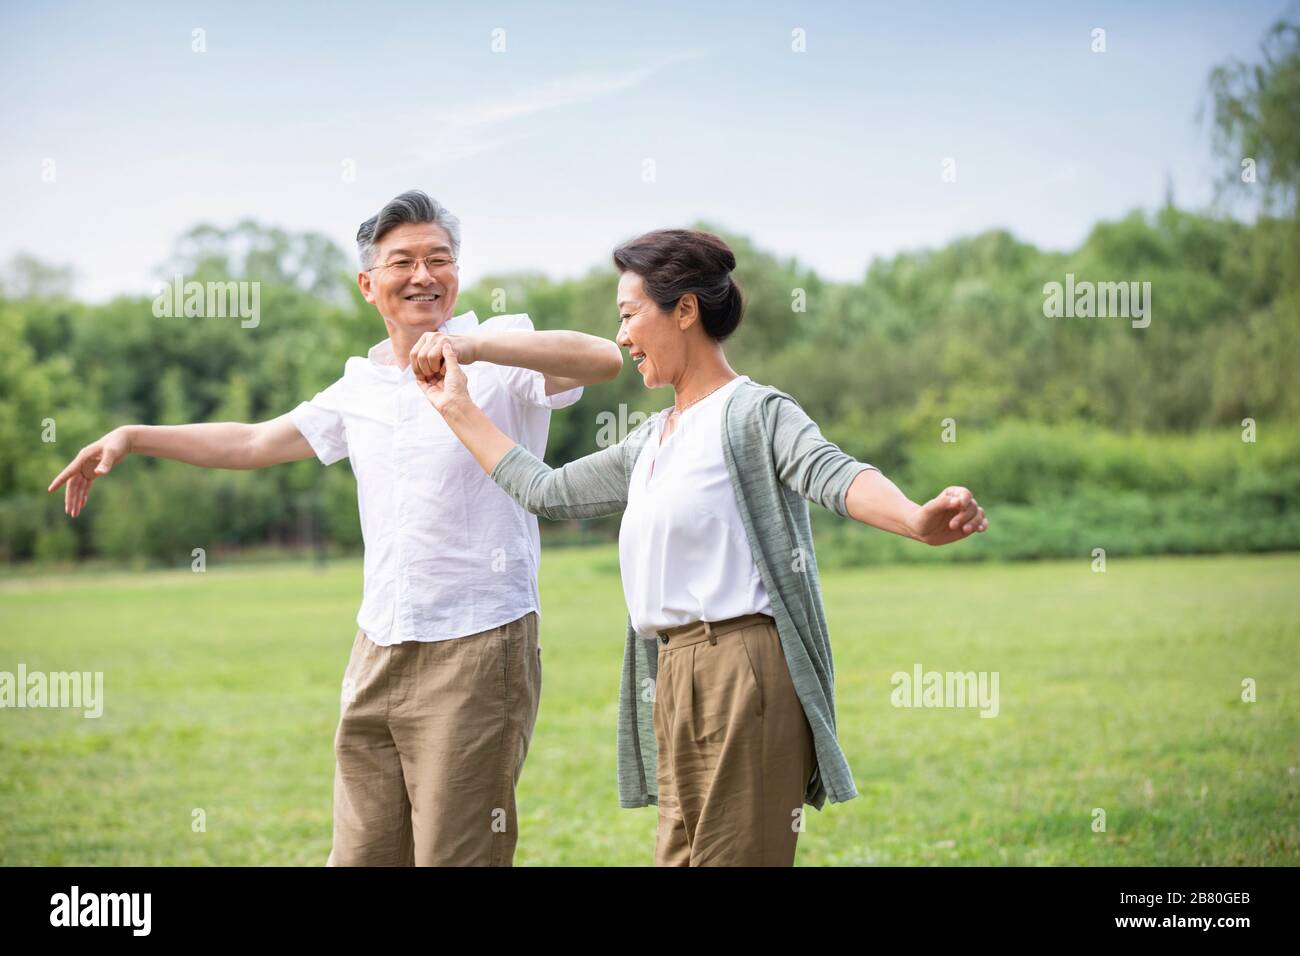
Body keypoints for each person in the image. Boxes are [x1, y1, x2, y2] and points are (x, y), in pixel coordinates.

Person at [47, 190, 623, 866]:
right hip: (376, 646)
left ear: (457, 274)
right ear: (368, 284)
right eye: (402, 261)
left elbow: (602, 358)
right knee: (362, 854)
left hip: (478, 640)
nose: (423, 275)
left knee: (458, 854)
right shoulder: (359, 388)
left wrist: (471, 343)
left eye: (440, 259)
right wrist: (134, 435)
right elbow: (254, 442)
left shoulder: (501, 356)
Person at [412, 227, 988, 866]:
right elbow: (545, 490)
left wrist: (915, 519)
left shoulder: (755, 412)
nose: (623, 337)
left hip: (743, 664)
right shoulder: (651, 440)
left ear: (685, 310)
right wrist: (456, 407)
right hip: (670, 673)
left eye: (630, 315)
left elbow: (833, 472)